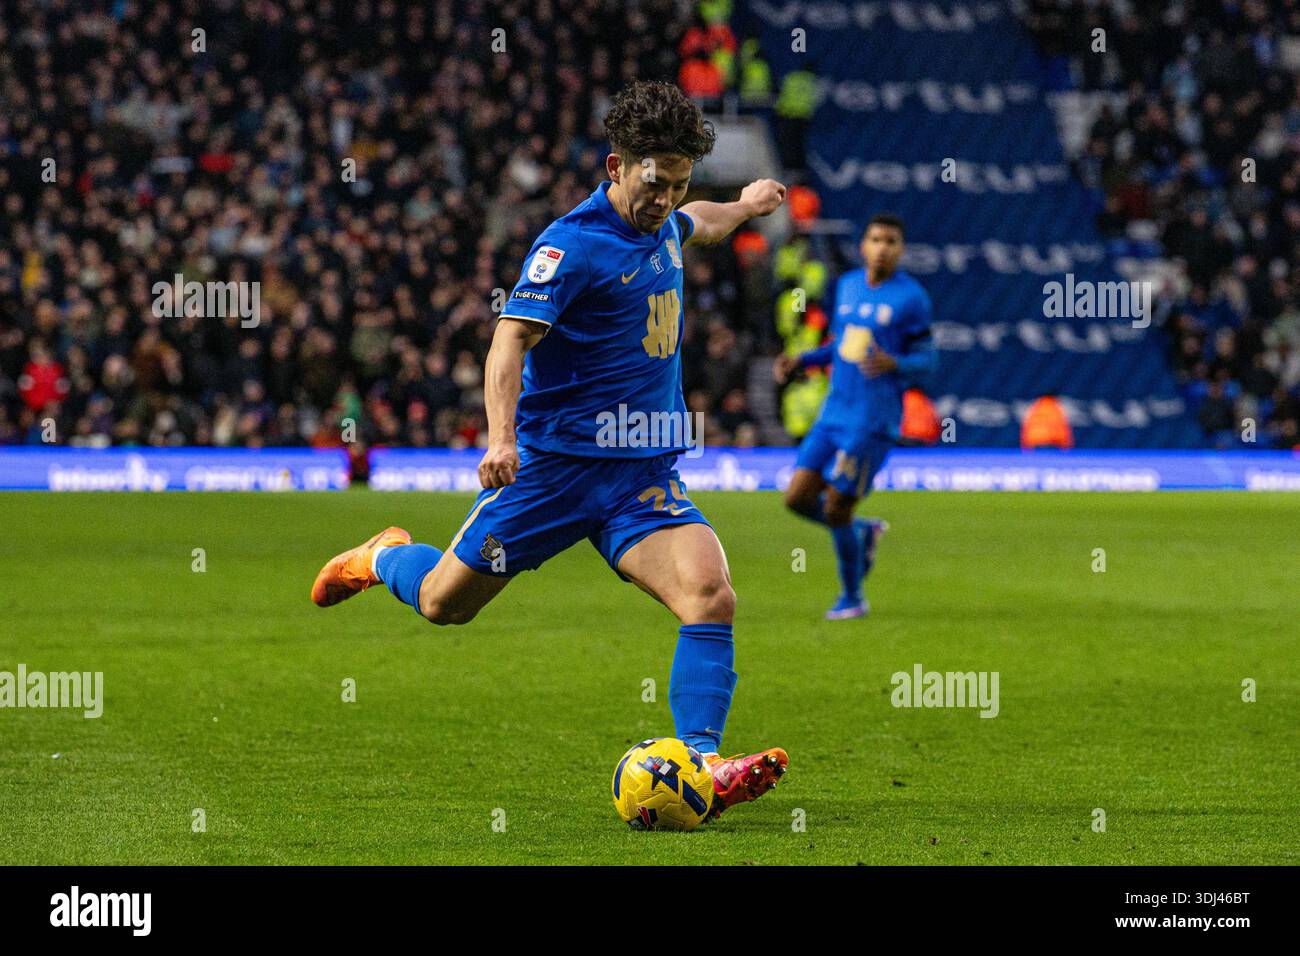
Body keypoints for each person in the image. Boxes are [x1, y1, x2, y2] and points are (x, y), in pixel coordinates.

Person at [310, 81, 789, 820]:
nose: (664, 199)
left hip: (638, 473)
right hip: (552, 473)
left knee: (710, 594)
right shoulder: (570, 246)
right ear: (615, 167)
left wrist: (749, 205)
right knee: (443, 605)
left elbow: (703, 222)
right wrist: (499, 436)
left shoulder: (667, 221)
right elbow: (509, 340)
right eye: (652, 183)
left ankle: (700, 762)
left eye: (678, 183)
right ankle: (380, 557)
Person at [774, 214, 936, 619]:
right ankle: (864, 532)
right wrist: (803, 360)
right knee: (796, 498)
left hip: (872, 420)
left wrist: (893, 363)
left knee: (836, 510)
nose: (882, 247)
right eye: (876, 239)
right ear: (864, 245)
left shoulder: (911, 299)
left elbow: (928, 361)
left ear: (901, 249)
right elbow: (842, 344)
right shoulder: (846, 286)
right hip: (833, 414)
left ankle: (853, 597)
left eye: (891, 241)